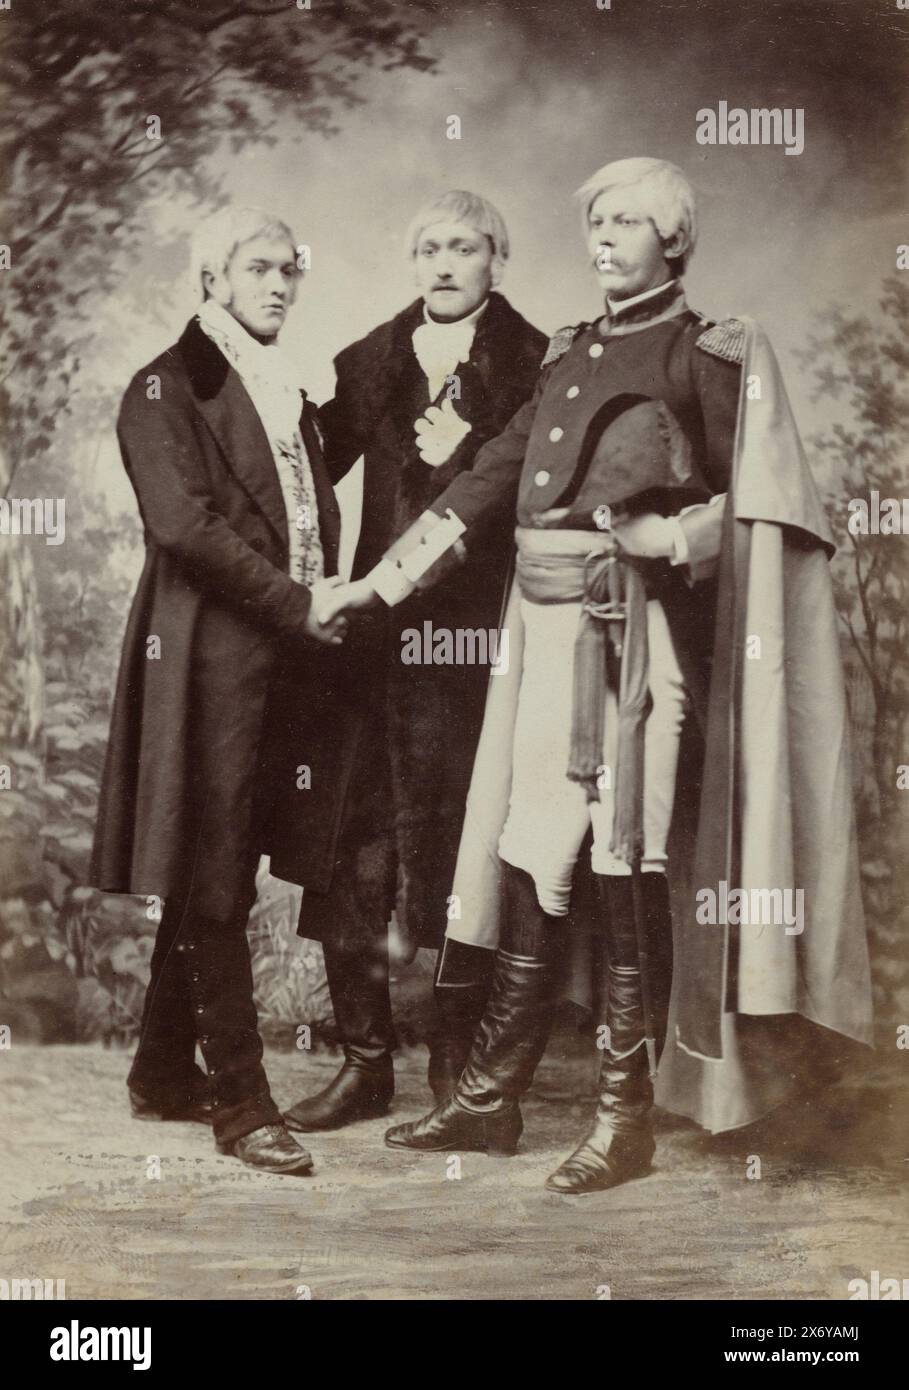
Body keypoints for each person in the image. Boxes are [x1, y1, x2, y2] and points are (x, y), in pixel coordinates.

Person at [332, 157, 873, 1191]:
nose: (604, 238)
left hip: (640, 639)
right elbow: (493, 478)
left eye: (626, 221)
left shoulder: (713, 351)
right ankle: (492, 1095)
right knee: (537, 849)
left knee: (626, 857)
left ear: (672, 238)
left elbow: (758, 509)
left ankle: (625, 1113)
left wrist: (668, 534)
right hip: (543, 635)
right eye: (595, 222)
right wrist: (383, 584)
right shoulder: (571, 352)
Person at [90, 206, 353, 1176]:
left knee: (227, 864)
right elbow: (185, 529)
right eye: (258, 268)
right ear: (214, 280)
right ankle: (241, 1103)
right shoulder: (163, 386)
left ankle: (162, 1071)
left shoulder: (280, 389)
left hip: (281, 657)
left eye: (290, 267)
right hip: (204, 658)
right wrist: (296, 604)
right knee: (211, 867)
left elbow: (300, 519)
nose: (280, 283)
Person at [282, 191, 547, 1134]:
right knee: (347, 844)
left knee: (455, 845)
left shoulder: (535, 364)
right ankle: (363, 1063)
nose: (444, 263)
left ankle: (453, 1070)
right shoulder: (372, 359)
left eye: (464, 247)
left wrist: (469, 440)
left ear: (495, 262)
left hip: (473, 645)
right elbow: (302, 469)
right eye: (428, 247)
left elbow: (531, 487)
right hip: (367, 640)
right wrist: (295, 586)